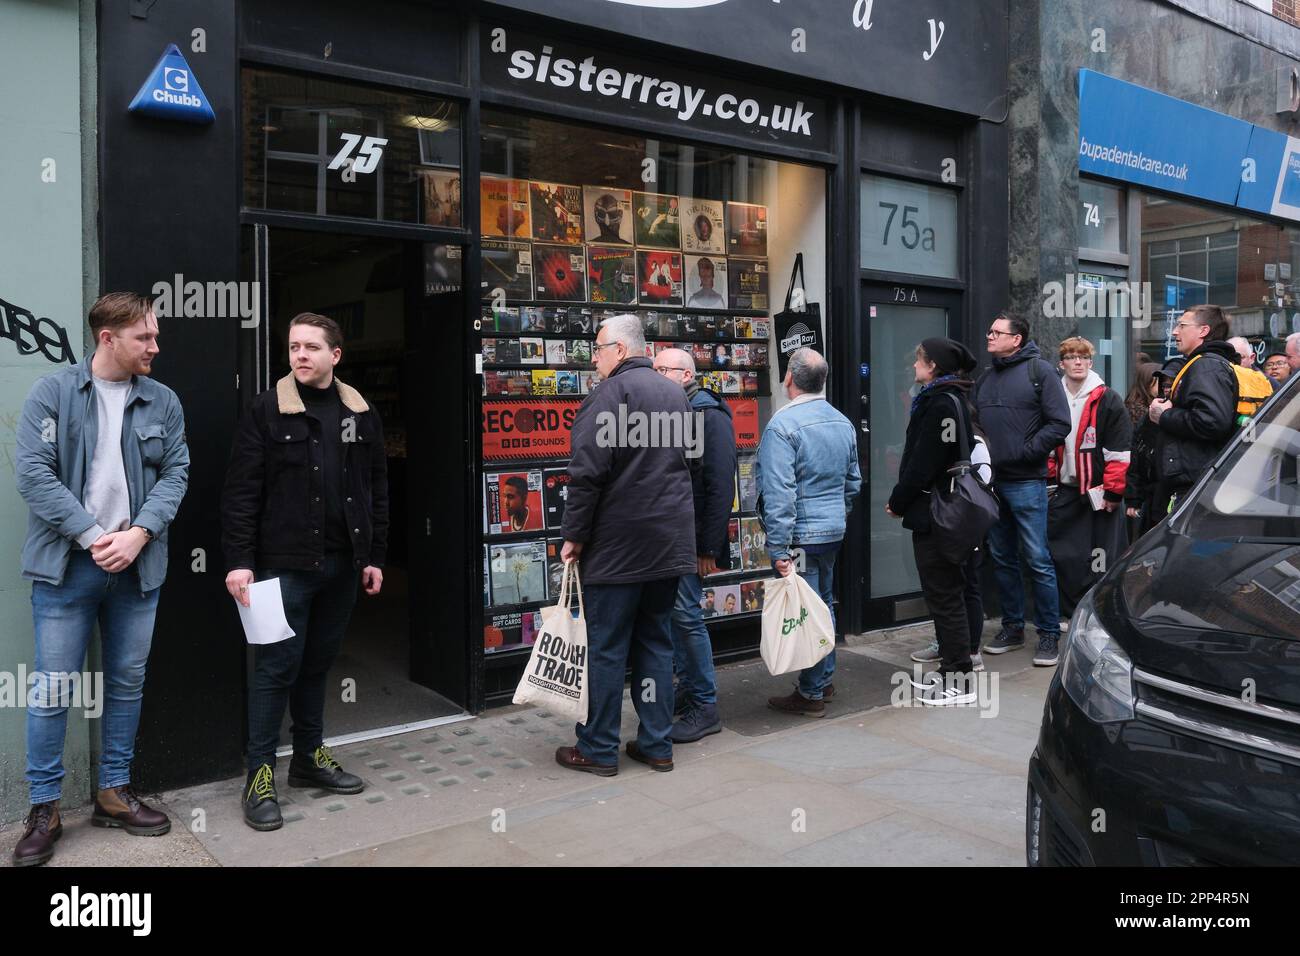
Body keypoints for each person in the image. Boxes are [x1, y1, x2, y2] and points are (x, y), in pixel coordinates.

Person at [13, 293, 190, 866]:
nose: (156, 347)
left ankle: (113, 793)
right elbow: (34, 475)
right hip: (68, 567)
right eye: (146, 337)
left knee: (127, 681)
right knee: (51, 690)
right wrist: (93, 536)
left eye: (155, 335)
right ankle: (45, 808)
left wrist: (139, 533)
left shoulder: (162, 400)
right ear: (108, 337)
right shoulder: (55, 394)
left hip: (138, 567)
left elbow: (177, 471)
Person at [222, 312, 389, 831]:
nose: (300, 355)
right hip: (281, 568)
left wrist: (375, 556)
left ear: (335, 355)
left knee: (318, 665)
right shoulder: (266, 410)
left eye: (312, 347)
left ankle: (309, 760)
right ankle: (260, 776)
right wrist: (239, 562)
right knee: (275, 669)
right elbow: (242, 491)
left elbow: (376, 489)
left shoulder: (359, 411)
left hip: (343, 565)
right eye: (294, 346)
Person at [555, 314, 696, 775]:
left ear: (619, 350)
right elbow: (687, 465)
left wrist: (574, 536)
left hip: (617, 547)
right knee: (656, 642)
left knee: (608, 647)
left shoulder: (607, 395)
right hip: (667, 543)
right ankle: (656, 743)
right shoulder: (676, 394)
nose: (594, 358)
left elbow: (587, 474)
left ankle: (597, 748)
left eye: (597, 349)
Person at [757, 348, 862, 717]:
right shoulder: (842, 422)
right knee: (823, 603)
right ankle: (823, 678)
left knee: (806, 609)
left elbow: (779, 492)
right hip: (831, 529)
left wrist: (779, 546)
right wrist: (837, 515)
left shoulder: (783, 426)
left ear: (789, 378)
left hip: (801, 534)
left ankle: (812, 690)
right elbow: (853, 482)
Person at [972, 312, 1071, 664]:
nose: (990, 336)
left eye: (997, 332)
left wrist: (1026, 452)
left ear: (1017, 339)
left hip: (1027, 481)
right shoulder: (986, 377)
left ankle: (1047, 634)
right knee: (1002, 557)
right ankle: (1012, 627)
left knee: (1037, 558)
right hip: (993, 485)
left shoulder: (1040, 372)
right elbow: (976, 422)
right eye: (989, 330)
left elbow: (1060, 423)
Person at [887, 338, 982, 687]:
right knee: (947, 592)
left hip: (937, 512)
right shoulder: (953, 399)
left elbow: (923, 463)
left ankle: (956, 675)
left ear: (934, 366)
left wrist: (898, 500)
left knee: (943, 593)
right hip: (945, 508)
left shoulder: (940, 403)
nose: (914, 366)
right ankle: (954, 667)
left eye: (919, 360)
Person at [654, 348, 735, 743]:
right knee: (675, 615)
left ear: (686, 375)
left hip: (691, 540)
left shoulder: (708, 416)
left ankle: (705, 705)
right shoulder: (673, 412)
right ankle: (688, 691)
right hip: (671, 537)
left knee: (686, 616)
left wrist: (708, 546)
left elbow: (721, 487)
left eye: (662, 370)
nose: (656, 375)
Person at [1045, 338, 1131, 628]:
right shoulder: (1052, 395)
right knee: (1066, 554)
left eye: (1083, 357)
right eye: (1071, 357)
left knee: (1105, 556)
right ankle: (1072, 613)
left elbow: (1118, 452)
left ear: (1091, 363)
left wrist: (1113, 491)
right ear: (1062, 363)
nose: (1078, 362)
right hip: (1065, 490)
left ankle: (1103, 616)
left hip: (1100, 491)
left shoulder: (1107, 398)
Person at [1148, 304, 1239, 515]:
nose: (1174, 331)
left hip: (1196, 484)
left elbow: (1212, 421)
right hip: (1201, 481)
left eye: (1182, 325)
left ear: (1203, 331)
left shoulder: (1205, 366)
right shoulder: (1207, 364)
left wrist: (1165, 415)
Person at [1124, 362, 1162, 540]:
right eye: (1158, 382)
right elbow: (1137, 458)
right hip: (1138, 487)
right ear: (1148, 383)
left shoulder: (1137, 407)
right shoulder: (1142, 413)